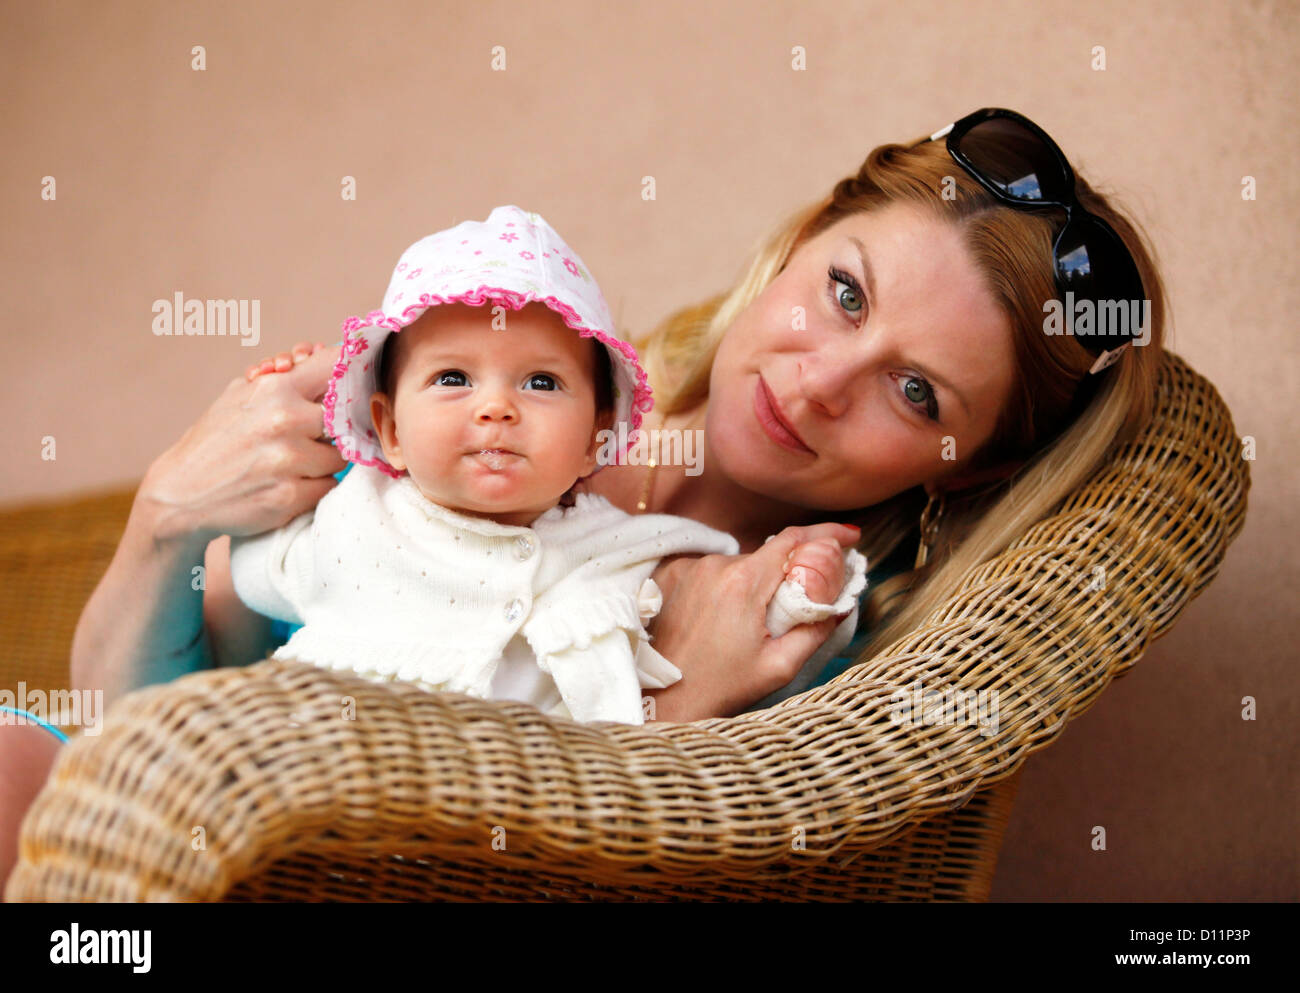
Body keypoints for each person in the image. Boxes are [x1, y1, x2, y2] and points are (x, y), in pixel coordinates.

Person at [2, 108, 1168, 889]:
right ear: (798, 242)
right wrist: (169, 517)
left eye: (914, 391)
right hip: (130, 817)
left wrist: (670, 715)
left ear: (960, 468)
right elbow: (128, 726)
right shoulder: (516, 407)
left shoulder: (790, 631)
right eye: (845, 292)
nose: (817, 383)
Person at [227, 206, 865, 725]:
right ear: (390, 429)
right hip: (308, 776)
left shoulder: (616, 549)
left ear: (596, 437)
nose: (497, 407)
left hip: (493, 823)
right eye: (454, 377)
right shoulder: (350, 514)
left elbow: (725, 596)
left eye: (540, 383)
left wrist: (794, 598)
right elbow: (244, 578)